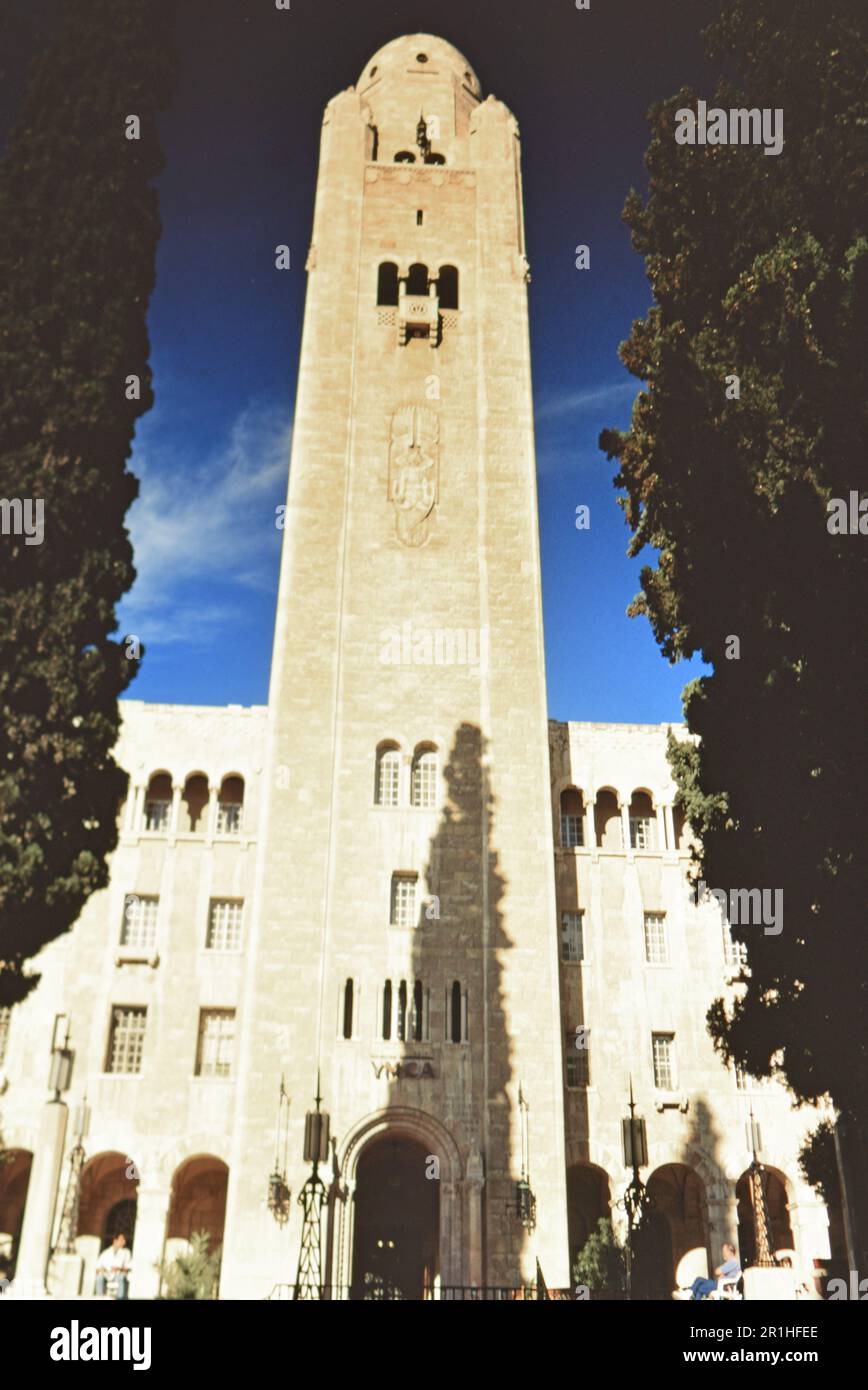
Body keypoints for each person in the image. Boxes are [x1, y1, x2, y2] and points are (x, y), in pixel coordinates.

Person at [673, 1243, 741, 1301]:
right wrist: (722, 1274)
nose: (723, 1253)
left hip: (722, 1286)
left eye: (724, 1251)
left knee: (699, 1280)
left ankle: (688, 1293)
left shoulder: (732, 1262)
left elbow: (717, 1271)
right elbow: (720, 1274)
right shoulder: (732, 1262)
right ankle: (689, 1293)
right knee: (700, 1286)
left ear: (729, 1252)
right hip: (722, 1284)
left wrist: (722, 1273)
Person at [94, 1233, 132, 1299]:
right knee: (99, 1277)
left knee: (121, 1277)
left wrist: (118, 1269)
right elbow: (97, 1267)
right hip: (107, 1275)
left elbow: (128, 1267)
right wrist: (102, 1269)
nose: (124, 1242)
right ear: (115, 1241)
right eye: (121, 1240)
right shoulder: (106, 1253)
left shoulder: (126, 1252)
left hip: (118, 1275)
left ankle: (120, 1298)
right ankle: (99, 1298)